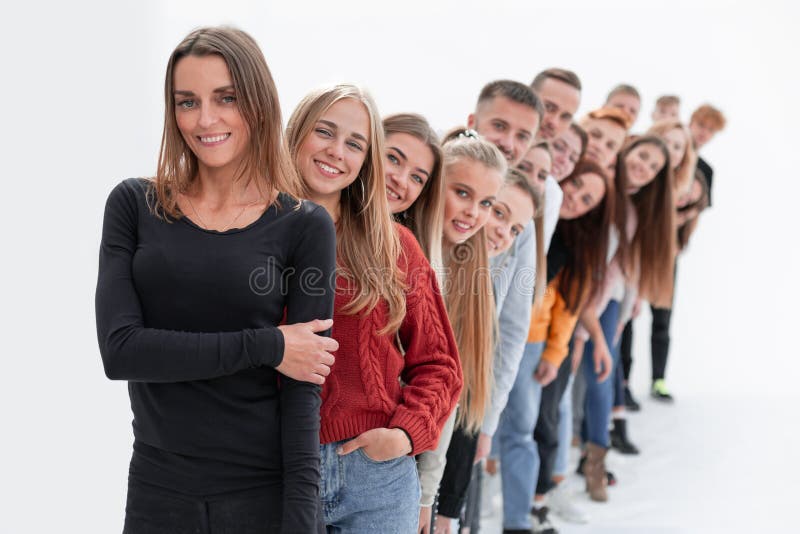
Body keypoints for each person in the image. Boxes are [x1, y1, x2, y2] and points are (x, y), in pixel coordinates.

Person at [95, 27, 339, 533]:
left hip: (262, 494)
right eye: (187, 102)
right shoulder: (133, 205)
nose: (205, 119)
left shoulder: (304, 224)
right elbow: (122, 351)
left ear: (257, 100)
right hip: (156, 491)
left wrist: (300, 521)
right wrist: (268, 345)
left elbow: (303, 395)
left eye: (225, 98)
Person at [287, 84, 463, 533]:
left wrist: (403, 435)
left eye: (354, 144)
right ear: (296, 132)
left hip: (374, 475)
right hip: (272, 469)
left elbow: (440, 364)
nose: (336, 152)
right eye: (324, 132)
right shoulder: (248, 227)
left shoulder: (396, 245)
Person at [497, 160, 614, 533]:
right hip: (487, 331)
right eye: (576, 185)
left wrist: (554, 352)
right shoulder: (523, 212)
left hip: (531, 343)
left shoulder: (576, 245)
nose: (575, 199)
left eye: (587, 199)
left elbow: (569, 308)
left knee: (527, 427)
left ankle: (523, 515)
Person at [576, 136, 676, 501]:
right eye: (643, 157)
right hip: (575, 291)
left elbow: (624, 269)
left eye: (654, 167)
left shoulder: (638, 210)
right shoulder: (599, 186)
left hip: (606, 299)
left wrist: (608, 323)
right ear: (627, 151)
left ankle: (595, 462)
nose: (644, 168)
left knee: (602, 373)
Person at [432, 128, 508, 534]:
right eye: (461, 193)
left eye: (486, 203)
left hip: (429, 472)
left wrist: (448, 511)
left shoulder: (474, 284)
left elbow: (466, 404)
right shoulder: (394, 251)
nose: (472, 213)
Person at [617, 119, 698, 410]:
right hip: (627, 263)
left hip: (659, 260)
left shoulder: (683, 187)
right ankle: (622, 384)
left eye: (679, 147)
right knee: (624, 319)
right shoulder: (641, 179)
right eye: (667, 141)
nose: (671, 150)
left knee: (659, 317)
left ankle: (656, 379)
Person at [689, 104, 727, 207]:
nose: (704, 132)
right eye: (701, 125)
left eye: (711, 130)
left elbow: (699, 209)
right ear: (691, 123)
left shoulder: (707, 171)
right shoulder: (670, 154)